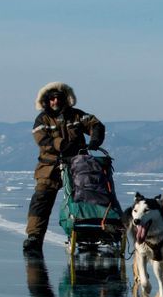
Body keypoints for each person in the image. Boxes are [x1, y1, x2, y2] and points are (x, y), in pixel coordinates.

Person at [23, 81, 106, 257]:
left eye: (58, 98)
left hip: (78, 165)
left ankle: (89, 235)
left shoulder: (77, 115)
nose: (55, 101)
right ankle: (34, 237)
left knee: (86, 198)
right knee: (41, 200)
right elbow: (43, 140)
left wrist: (95, 140)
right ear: (46, 101)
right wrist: (64, 145)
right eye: (51, 98)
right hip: (50, 167)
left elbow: (95, 124)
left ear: (65, 99)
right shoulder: (42, 120)